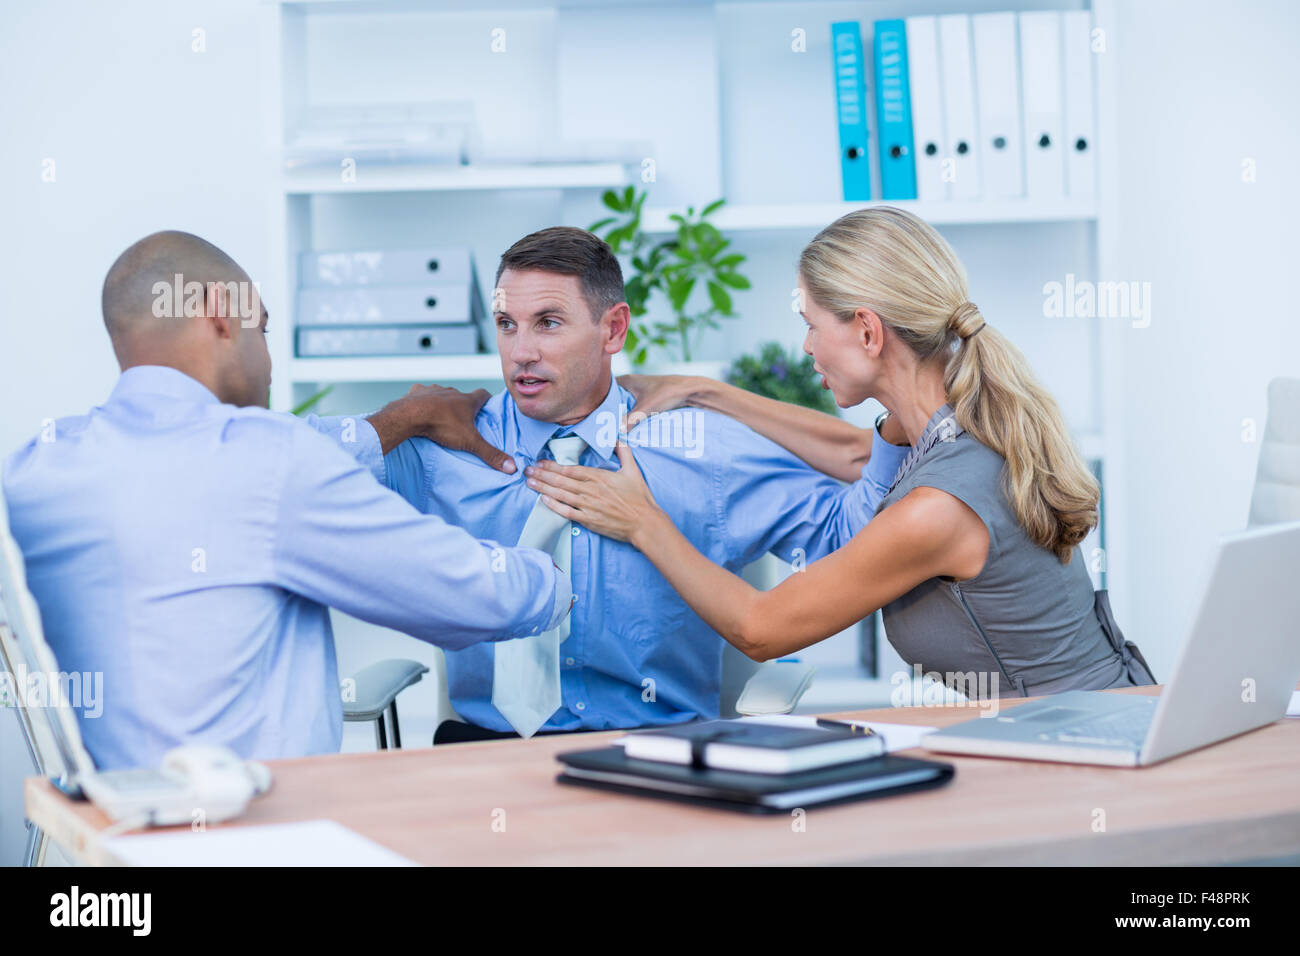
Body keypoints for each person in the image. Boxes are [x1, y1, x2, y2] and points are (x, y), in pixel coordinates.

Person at [528, 207, 1156, 699]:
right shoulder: (960, 428)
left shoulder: (937, 509)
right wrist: (708, 392)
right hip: (1091, 715)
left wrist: (643, 522)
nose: (804, 346)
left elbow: (762, 628)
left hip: (1077, 755)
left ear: (866, 331)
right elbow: (861, 459)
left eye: (810, 323)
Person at [2, 231, 572, 770]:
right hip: (257, 832)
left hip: (96, 836)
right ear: (222, 316)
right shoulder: (268, 462)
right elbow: (464, 592)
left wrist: (400, 418)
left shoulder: (37, 467)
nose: (269, 364)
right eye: (264, 332)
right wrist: (564, 576)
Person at [318, 226, 911, 742]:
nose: (521, 352)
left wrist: (899, 412)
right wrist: (396, 421)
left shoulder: (702, 450)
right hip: (487, 747)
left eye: (548, 323)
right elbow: (280, 480)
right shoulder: (445, 448)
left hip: (659, 745)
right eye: (506, 325)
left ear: (613, 329)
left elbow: (848, 539)